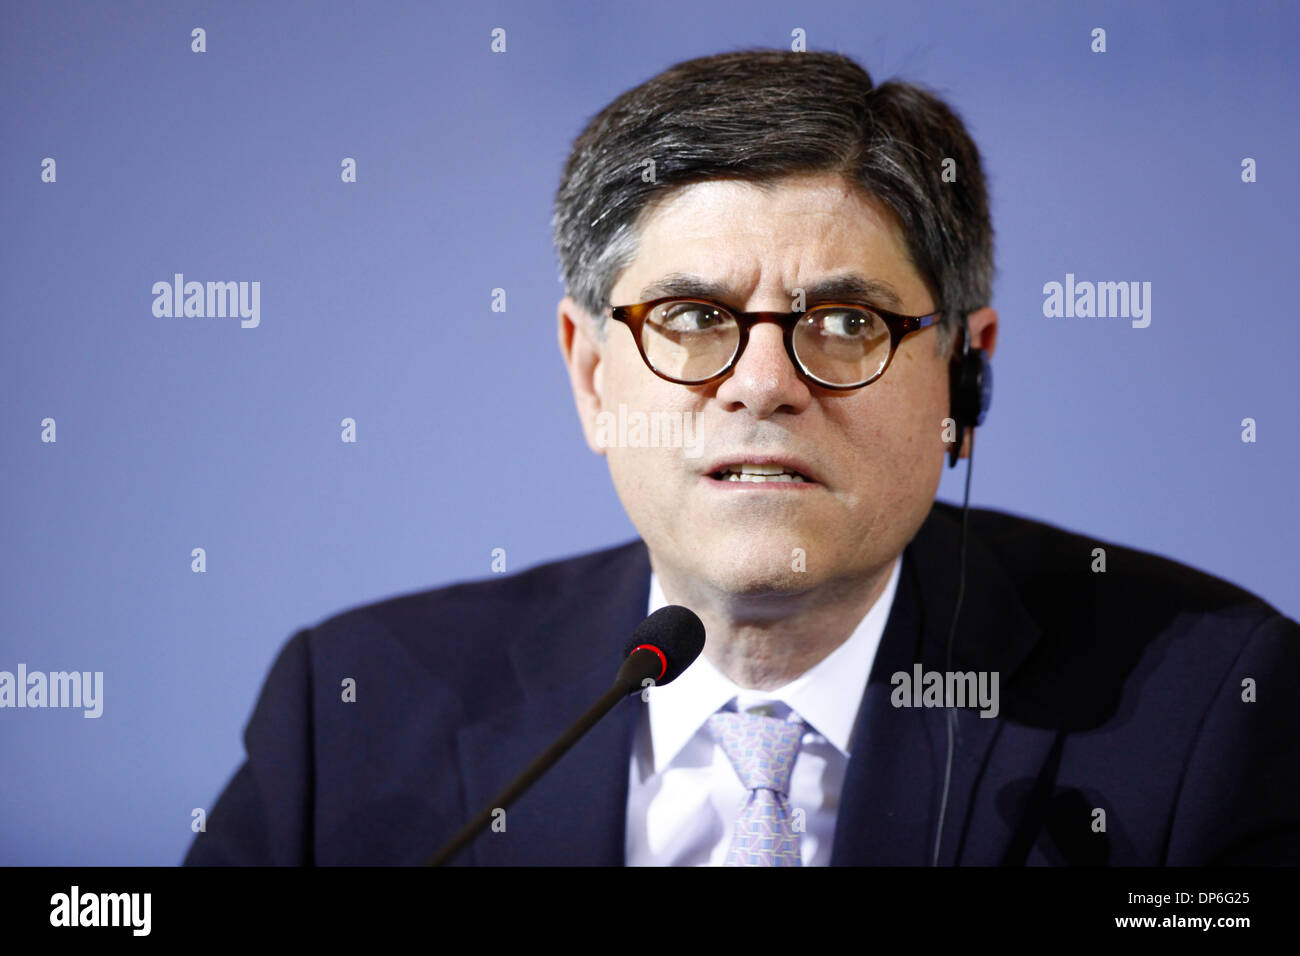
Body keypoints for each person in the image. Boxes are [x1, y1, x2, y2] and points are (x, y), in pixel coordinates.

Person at [184, 48, 1299, 866]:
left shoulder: (1211, 709)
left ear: (963, 379)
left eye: (848, 322)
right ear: (589, 371)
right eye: (688, 316)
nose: (762, 381)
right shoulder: (356, 712)